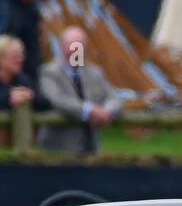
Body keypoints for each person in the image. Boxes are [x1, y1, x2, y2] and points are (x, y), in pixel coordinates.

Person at [38, 26, 121, 155]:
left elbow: (114, 98)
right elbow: (58, 100)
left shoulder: (95, 73)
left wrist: (107, 111)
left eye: (80, 46)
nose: (76, 51)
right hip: (58, 149)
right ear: (62, 47)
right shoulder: (49, 72)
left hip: (91, 148)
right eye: (72, 46)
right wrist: (89, 110)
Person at [0, 35, 49, 111]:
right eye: (15, 56)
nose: (20, 59)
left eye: (21, 55)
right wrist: (9, 97)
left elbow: (46, 103)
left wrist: (30, 96)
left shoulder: (23, 79)